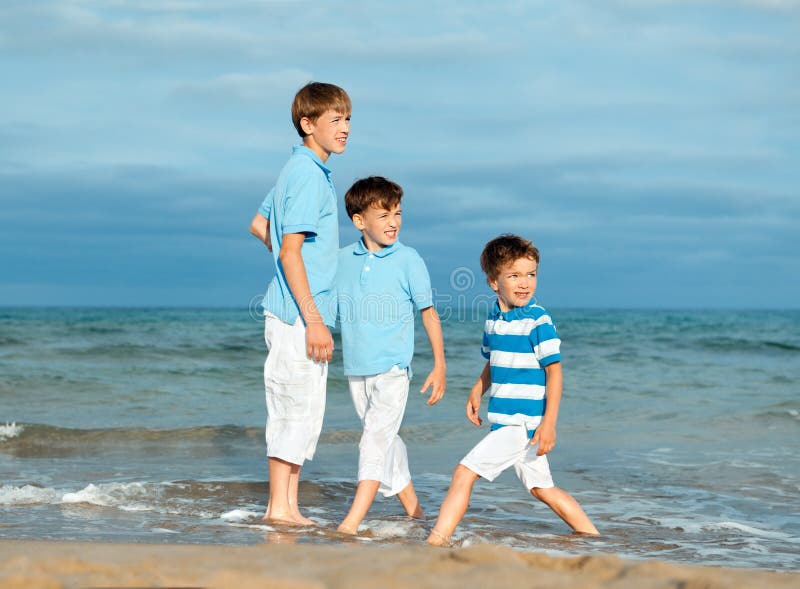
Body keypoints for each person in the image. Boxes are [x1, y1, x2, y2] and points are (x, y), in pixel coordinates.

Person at [427, 234, 598, 545]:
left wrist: (549, 424)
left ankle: (435, 542)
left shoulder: (538, 320)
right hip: (509, 420)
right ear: (494, 282)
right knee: (542, 489)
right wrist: (478, 389)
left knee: (463, 473)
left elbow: (554, 372)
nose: (525, 283)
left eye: (531, 275)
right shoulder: (493, 319)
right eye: (514, 275)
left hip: (521, 423)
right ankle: (594, 538)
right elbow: (494, 361)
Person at [249, 82, 351, 525]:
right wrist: (314, 319)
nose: (345, 128)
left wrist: (285, 258)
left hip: (292, 311)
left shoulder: (299, 168)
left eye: (347, 119)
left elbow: (258, 225)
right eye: (335, 120)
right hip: (297, 316)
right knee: (295, 410)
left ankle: (287, 507)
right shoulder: (308, 175)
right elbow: (290, 252)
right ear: (308, 125)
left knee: (300, 410)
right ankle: (279, 509)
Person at [335, 176, 446, 535]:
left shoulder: (408, 259)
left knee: (373, 440)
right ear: (359, 221)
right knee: (385, 440)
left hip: (394, 369)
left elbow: (428, 313)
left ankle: (351, 523)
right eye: (383, 215)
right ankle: (416, 512)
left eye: (397, 213)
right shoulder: (342, 260)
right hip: (356, 367)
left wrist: (439, 366)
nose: (393, 222)